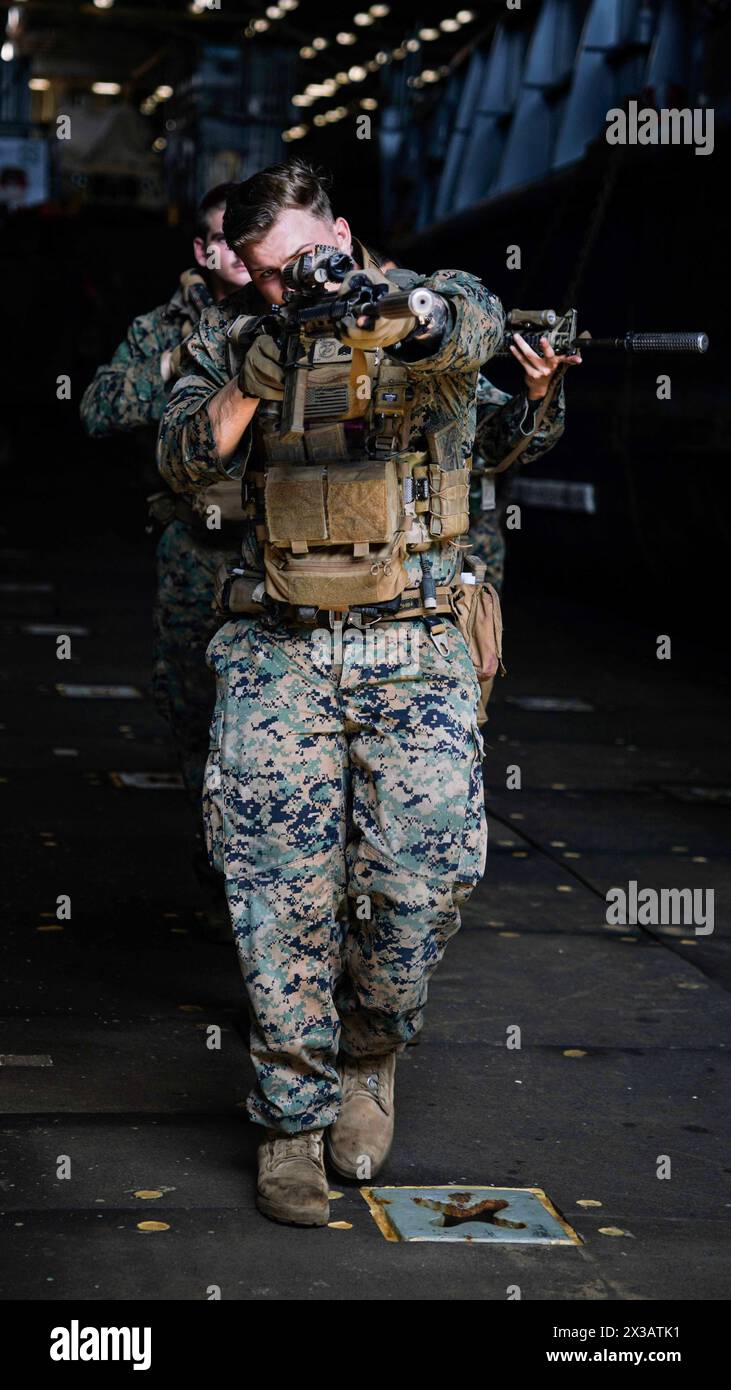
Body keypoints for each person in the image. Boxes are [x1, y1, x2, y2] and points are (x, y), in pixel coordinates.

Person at [157, 158, 505, 1227]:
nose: (285, 286)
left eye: (303, 261)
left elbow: (472, 329)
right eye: (264, 275)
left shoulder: (422, 304)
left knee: (424, 877)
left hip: (413, 640)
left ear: (342, 233)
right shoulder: (230, 340)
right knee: (276, 893)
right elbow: (178, 458)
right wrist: (255, 370)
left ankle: (371, 1051)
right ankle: (291, 1122)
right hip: (278, 644)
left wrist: (408, 313)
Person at [79, 185, 252, 938]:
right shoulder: (165, 327)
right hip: (196, 550)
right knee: (195, 709)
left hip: (281, 548)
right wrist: (176, 365)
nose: (240, 255)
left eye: (251, 239)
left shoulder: (299, 305)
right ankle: (219, 852)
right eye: (224, 240)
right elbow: (97, 408)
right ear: (202, 250)